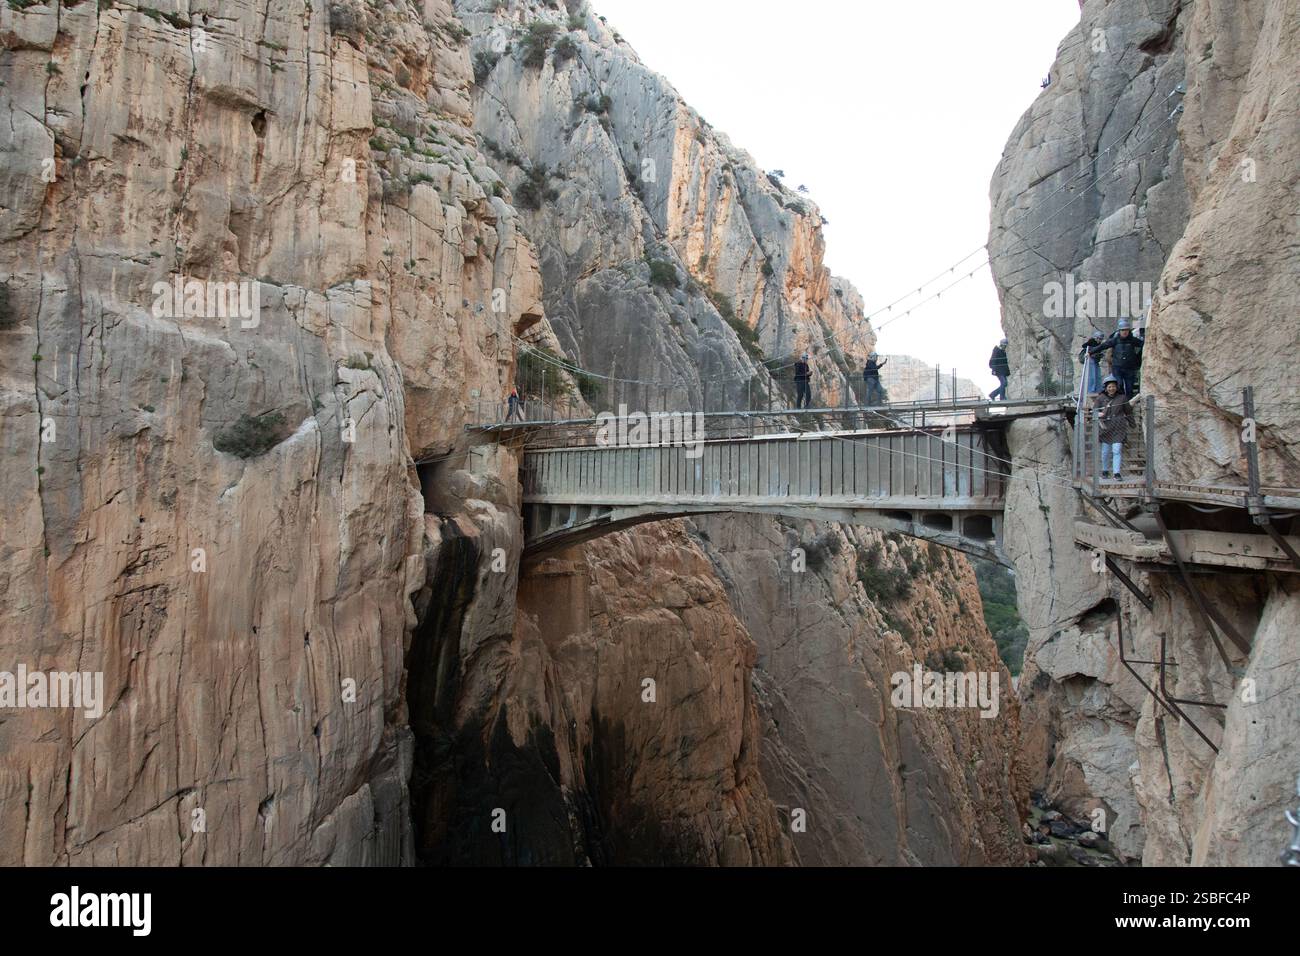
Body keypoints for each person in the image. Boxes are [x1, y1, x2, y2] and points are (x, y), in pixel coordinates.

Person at [1090, 318, 1144, 397]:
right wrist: (1090, 352)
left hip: (1130, 368)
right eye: (1122, 330)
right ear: (1119, 331)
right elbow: (1103, 346)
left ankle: (1128, 405)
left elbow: (1144, 345)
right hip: (1117, 367)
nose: (1124, 332)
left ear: (1129, 331)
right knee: (1119, 385)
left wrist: (1137, 358)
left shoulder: (1133, 340)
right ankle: (1119, 403)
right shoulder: (1115, 340)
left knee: (1129, 388)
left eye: (1126, 330)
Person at [1095, 374, 1132, 479]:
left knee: (1117, 449)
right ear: (1106, 388)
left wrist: (1132, 423)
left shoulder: (1122, 398)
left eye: (1113, 386)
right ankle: (1105, 470)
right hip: (1106, 428)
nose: (1112, 388)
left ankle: (1116, 473)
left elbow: (1128, 411)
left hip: (1119, 426)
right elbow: (1094, 411)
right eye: (1109, 386)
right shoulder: (1100, 398)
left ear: (1117, 387)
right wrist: (1099, 414)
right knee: (1105, 451)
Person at [1079, 328, 1104, 397]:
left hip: (1095, 362)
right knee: (1092, 377)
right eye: (1098, 338)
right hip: (1090, 362)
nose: (1099, 340)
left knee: (1097, 376)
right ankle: (1091, 390)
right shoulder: (1091, 342)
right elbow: (1084, 346)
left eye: (1101, 339)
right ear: (1095, 338)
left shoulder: (1099, 344)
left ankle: (1097, 390)